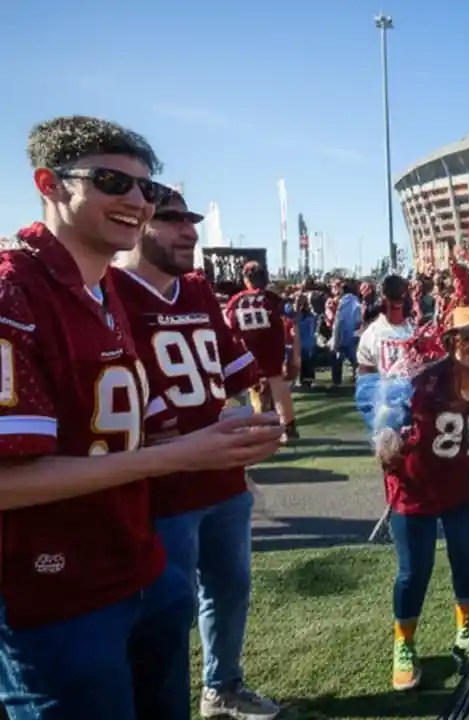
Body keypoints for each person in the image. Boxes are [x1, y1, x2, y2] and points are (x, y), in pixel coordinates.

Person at [0, 115, 282, 719]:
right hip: (57, 594)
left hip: (139, 565)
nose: (135, 201)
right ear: (49, 184)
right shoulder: (13, 292)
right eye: (111, 181)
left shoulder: (101, 287)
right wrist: (181, 454)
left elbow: (129, 419)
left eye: (146, 189)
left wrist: (221, 435)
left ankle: (222, 681)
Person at [111, 188, 281, 719]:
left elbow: (232, 375)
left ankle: (222, 687)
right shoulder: (110, 290)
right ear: (137, 221)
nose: (189, 231)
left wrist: (244, 423)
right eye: (171, 220)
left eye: (191, 220)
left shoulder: (197, 291)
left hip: (223, 477)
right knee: (165, 611)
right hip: (162, 483)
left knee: (229, 592)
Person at [373, 305, 469, 690]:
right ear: (450, 341)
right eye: (466, 336)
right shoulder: (422, 380)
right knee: (413, 572)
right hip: (415, 488)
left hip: (462, 487)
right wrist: (390, 440)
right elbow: (387, 417)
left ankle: (465, 630)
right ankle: (404, 645)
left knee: (465, 558)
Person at [226, 262, 299, 439]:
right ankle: (288, 425)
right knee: (278, 385)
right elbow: (291, 318)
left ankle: (253, 427)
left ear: (246, 280)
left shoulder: (236, 300)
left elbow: (227, 324)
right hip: (272, 348)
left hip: (246, 350)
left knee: (245, 389)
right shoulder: (272, 298)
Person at [328, 280, 362, 386]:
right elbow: (358, 319)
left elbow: (339, 320)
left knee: (337, 359)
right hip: (352, 334)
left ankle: (337, 382)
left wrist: (335, 338)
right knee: (355, 360)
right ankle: (359, 379)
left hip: (341, 334)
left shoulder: (341, 302)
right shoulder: (356, 301)